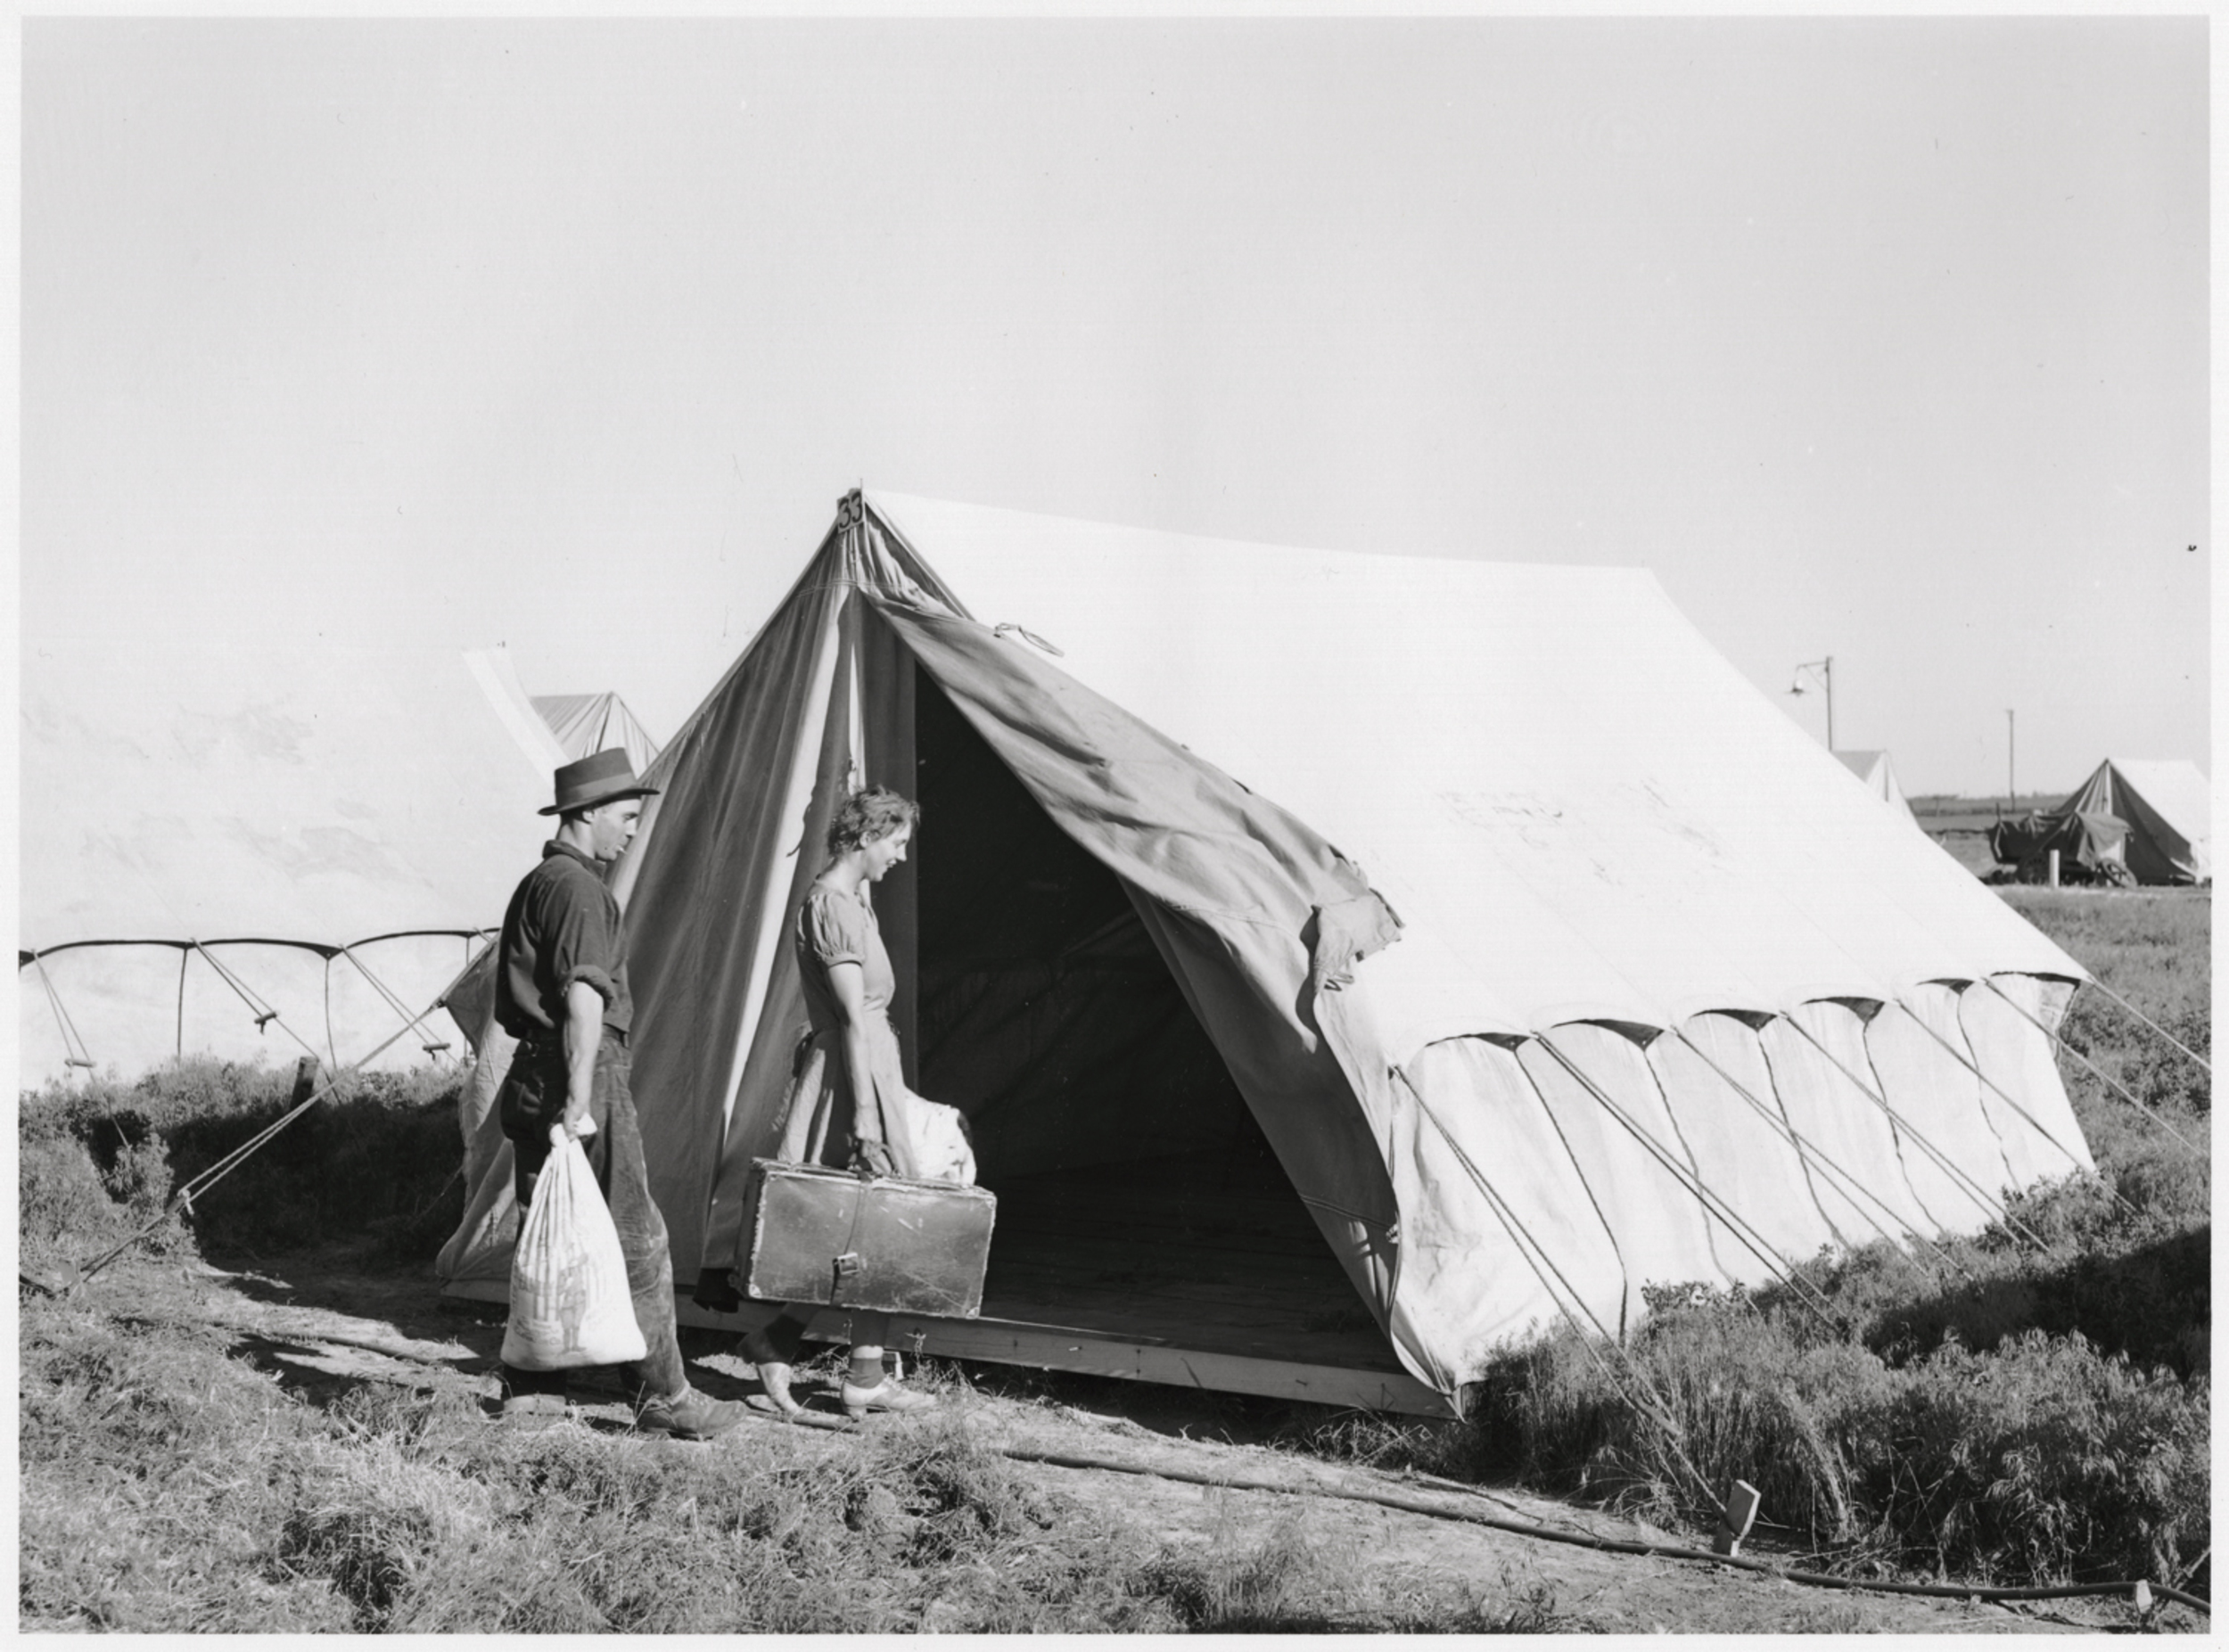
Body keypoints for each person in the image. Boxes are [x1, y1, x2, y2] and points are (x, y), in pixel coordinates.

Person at [495, 748, 751, 1438]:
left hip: (533, 1070)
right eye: (627, 817)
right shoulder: (579, 890)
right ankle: (662, 1393)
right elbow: (583, 995)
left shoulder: (538, 881)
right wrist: (581, 1095)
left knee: (548, 1231)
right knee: (636, 1235)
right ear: (586, 814)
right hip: (583, 1070)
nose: (633, 831)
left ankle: (534, 1387)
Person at [741, 785, 947, 1421]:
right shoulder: (832, 908)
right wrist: (863, 1112)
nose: (902, 856)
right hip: (851, 1078)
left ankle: (812, 1353)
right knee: (872, 1215)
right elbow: (855, 1018)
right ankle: (851, 1371)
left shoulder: (852, 904)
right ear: (865, 837)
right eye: (896, 842)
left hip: (869, 1070)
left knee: (867, 1220)